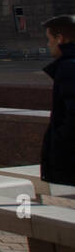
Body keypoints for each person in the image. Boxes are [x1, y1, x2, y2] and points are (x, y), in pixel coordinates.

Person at [41, 15, 75, 185]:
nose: (48, 45)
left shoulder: (68, 68)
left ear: (60, 39)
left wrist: (58, 145)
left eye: (49, 39)